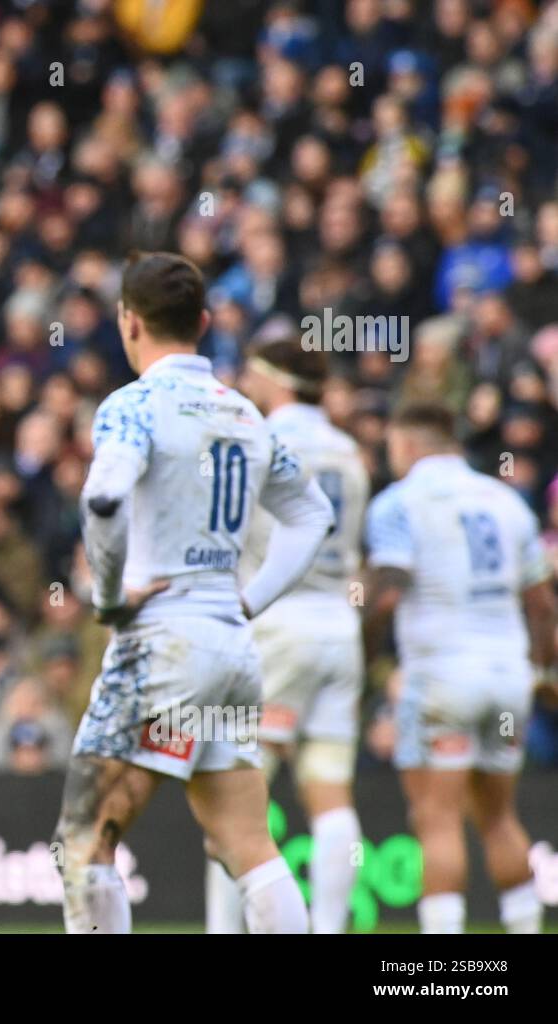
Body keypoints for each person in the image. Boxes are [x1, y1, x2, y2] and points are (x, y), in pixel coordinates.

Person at [54, 252, 334, 934]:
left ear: (127, 321)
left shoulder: (133, 405)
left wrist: (111, 598)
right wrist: (250, 599)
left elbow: (104, 498)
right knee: (246, 843)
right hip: (231, 648)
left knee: (84, 842)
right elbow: (312, 515)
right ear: (203, 323)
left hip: (161, 644)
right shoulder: (244, 413)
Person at [363, 401, 556, 934]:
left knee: (437, 820)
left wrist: (363, 661)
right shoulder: (507, 501)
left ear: (405, 444)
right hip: (507, 680)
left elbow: (383, 599)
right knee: (499, 818)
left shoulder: (399, 503)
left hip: (442, 676)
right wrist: (543, 674)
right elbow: (541, 604)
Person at [204, 337, 371, 934]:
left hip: (275, 622)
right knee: (330, 793)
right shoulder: (351, 451)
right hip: (337, 625)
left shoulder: (259, 437)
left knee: (232, 792)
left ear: (273, 379)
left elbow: (228, 529)